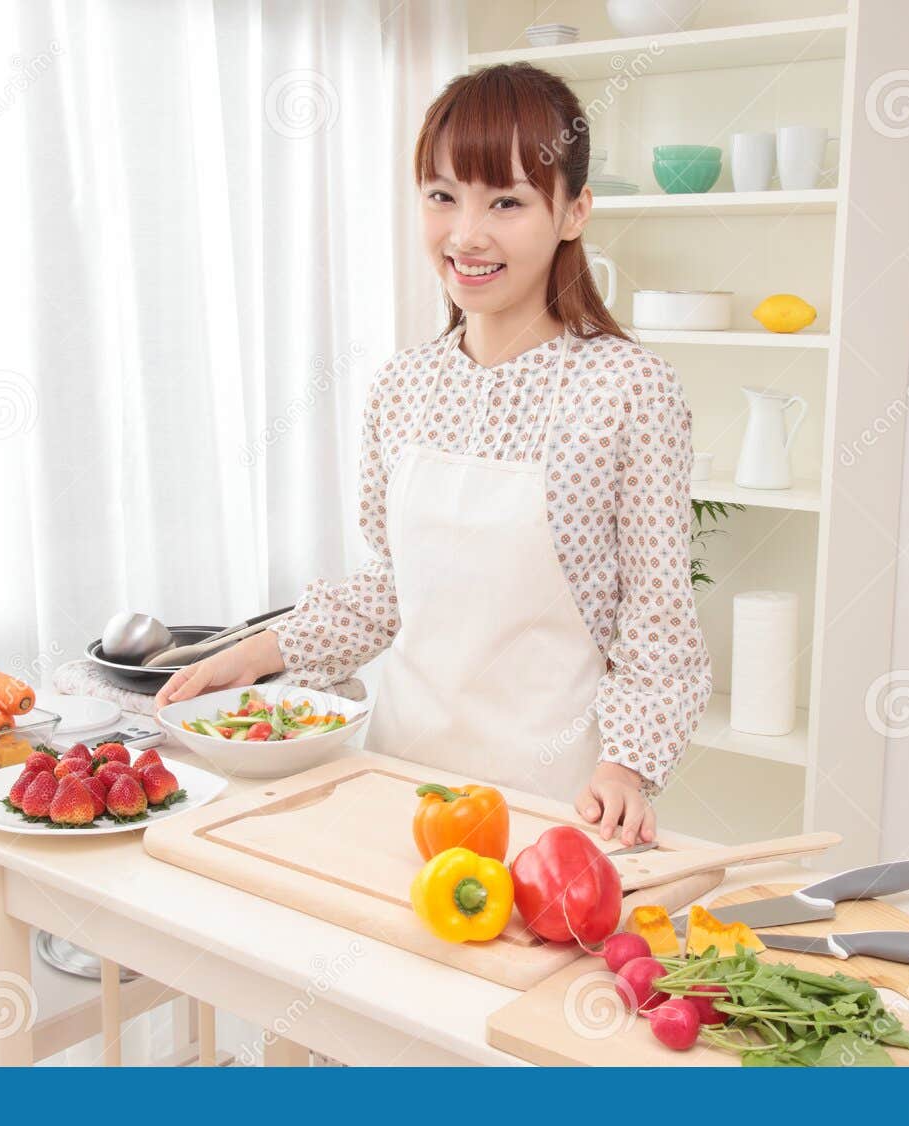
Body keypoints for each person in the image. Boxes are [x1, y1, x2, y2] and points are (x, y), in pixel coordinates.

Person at [159, 63, 711, 844]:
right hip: (398, 785)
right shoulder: (403, 386)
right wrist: (256, 654)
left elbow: (660, 630)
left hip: (555, 807)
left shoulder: (628, 390)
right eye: (442, 195)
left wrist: (626, 768)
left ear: (574, 211)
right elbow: (392, 587)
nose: (467, 234)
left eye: (508, 202)